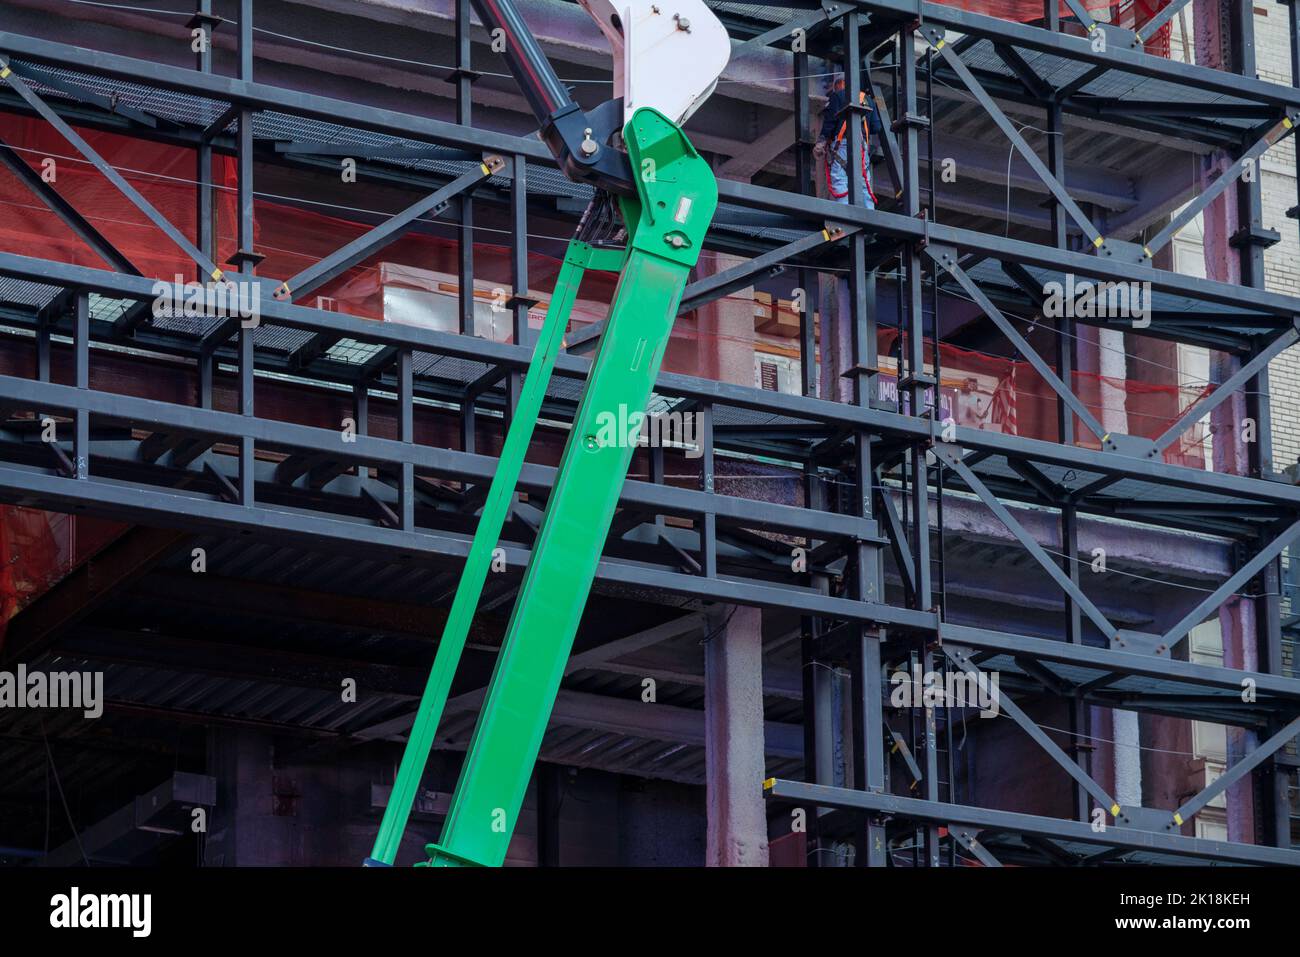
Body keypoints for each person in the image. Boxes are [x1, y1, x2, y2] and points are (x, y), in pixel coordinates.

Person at [815, 72, 879, 208]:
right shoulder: (868, 100)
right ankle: (870, 215)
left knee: (840, 180)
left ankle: (845, 214)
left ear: (839, 84)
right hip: (862, 147)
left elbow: (830, 122)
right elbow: (876, 127)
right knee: (863, 182)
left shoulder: (837, 96)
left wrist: (821, 142)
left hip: (842, 145)